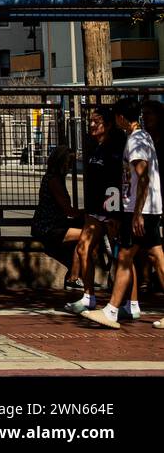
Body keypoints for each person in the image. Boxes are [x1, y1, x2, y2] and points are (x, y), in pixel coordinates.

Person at [84, 98, 164, 329]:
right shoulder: (143, 137)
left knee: (125, 257)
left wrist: (137, 212)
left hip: (141, 210)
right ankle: (112, 309)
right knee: (155, 256)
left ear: (120, 117)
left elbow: (144, 176)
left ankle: (111, 310)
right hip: (148, 208)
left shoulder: (136, 140)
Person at [63, 106, 124, 315]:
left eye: (95, 121)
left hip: (110, 211)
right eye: (90, 121)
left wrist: (114, 214)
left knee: (122, 257)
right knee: (83, 248)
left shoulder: (116, 147)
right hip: (94, 210)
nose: (90, 125)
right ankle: (88, 296)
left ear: (106, 125)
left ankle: (129, 303)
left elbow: (117, 181)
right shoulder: (94, 146)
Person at [30, 142, 82, 280]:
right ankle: (74, 278)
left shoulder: (54, 178)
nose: (71, 166)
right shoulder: (54, 180)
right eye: (69, 162)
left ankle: (76, 275)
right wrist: (88, 213)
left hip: (52, 225)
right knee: (87, 236)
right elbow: (68, 210)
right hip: (48, 228)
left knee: (84, 235)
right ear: (61, 162)